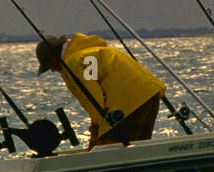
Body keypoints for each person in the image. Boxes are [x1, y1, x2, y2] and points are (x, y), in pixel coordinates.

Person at [35, 33, 165, 149]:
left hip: (129, 103)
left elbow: (92, 96)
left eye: (48, 65)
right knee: (139, 148)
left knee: (107, 147)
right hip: (149, 92)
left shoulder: (74, 62)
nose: (52, 70)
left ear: (50, 56)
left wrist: (95, 135)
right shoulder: (88, 53)